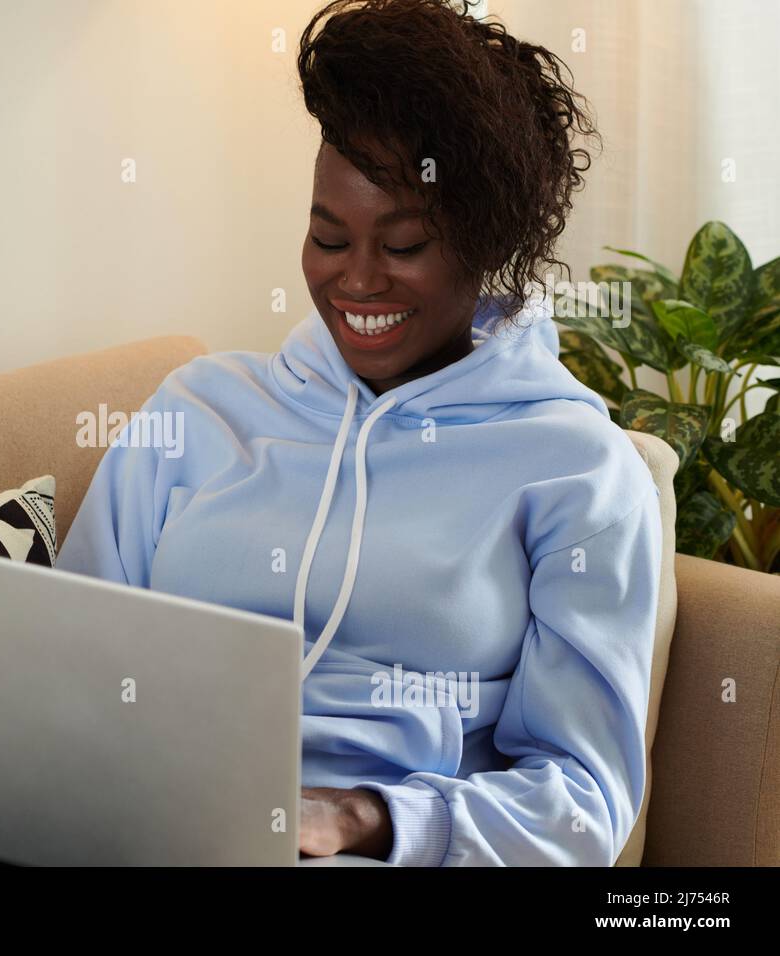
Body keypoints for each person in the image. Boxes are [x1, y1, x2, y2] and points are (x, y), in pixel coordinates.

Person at [53, 0, 661, 866]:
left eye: (405, 242)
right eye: (327, 237)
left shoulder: (578, 472)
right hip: (130, 825)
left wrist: (363, 819)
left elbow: (581, 802)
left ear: (490, 245)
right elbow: (60, 659)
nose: (358, 281)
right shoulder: (197, 409)